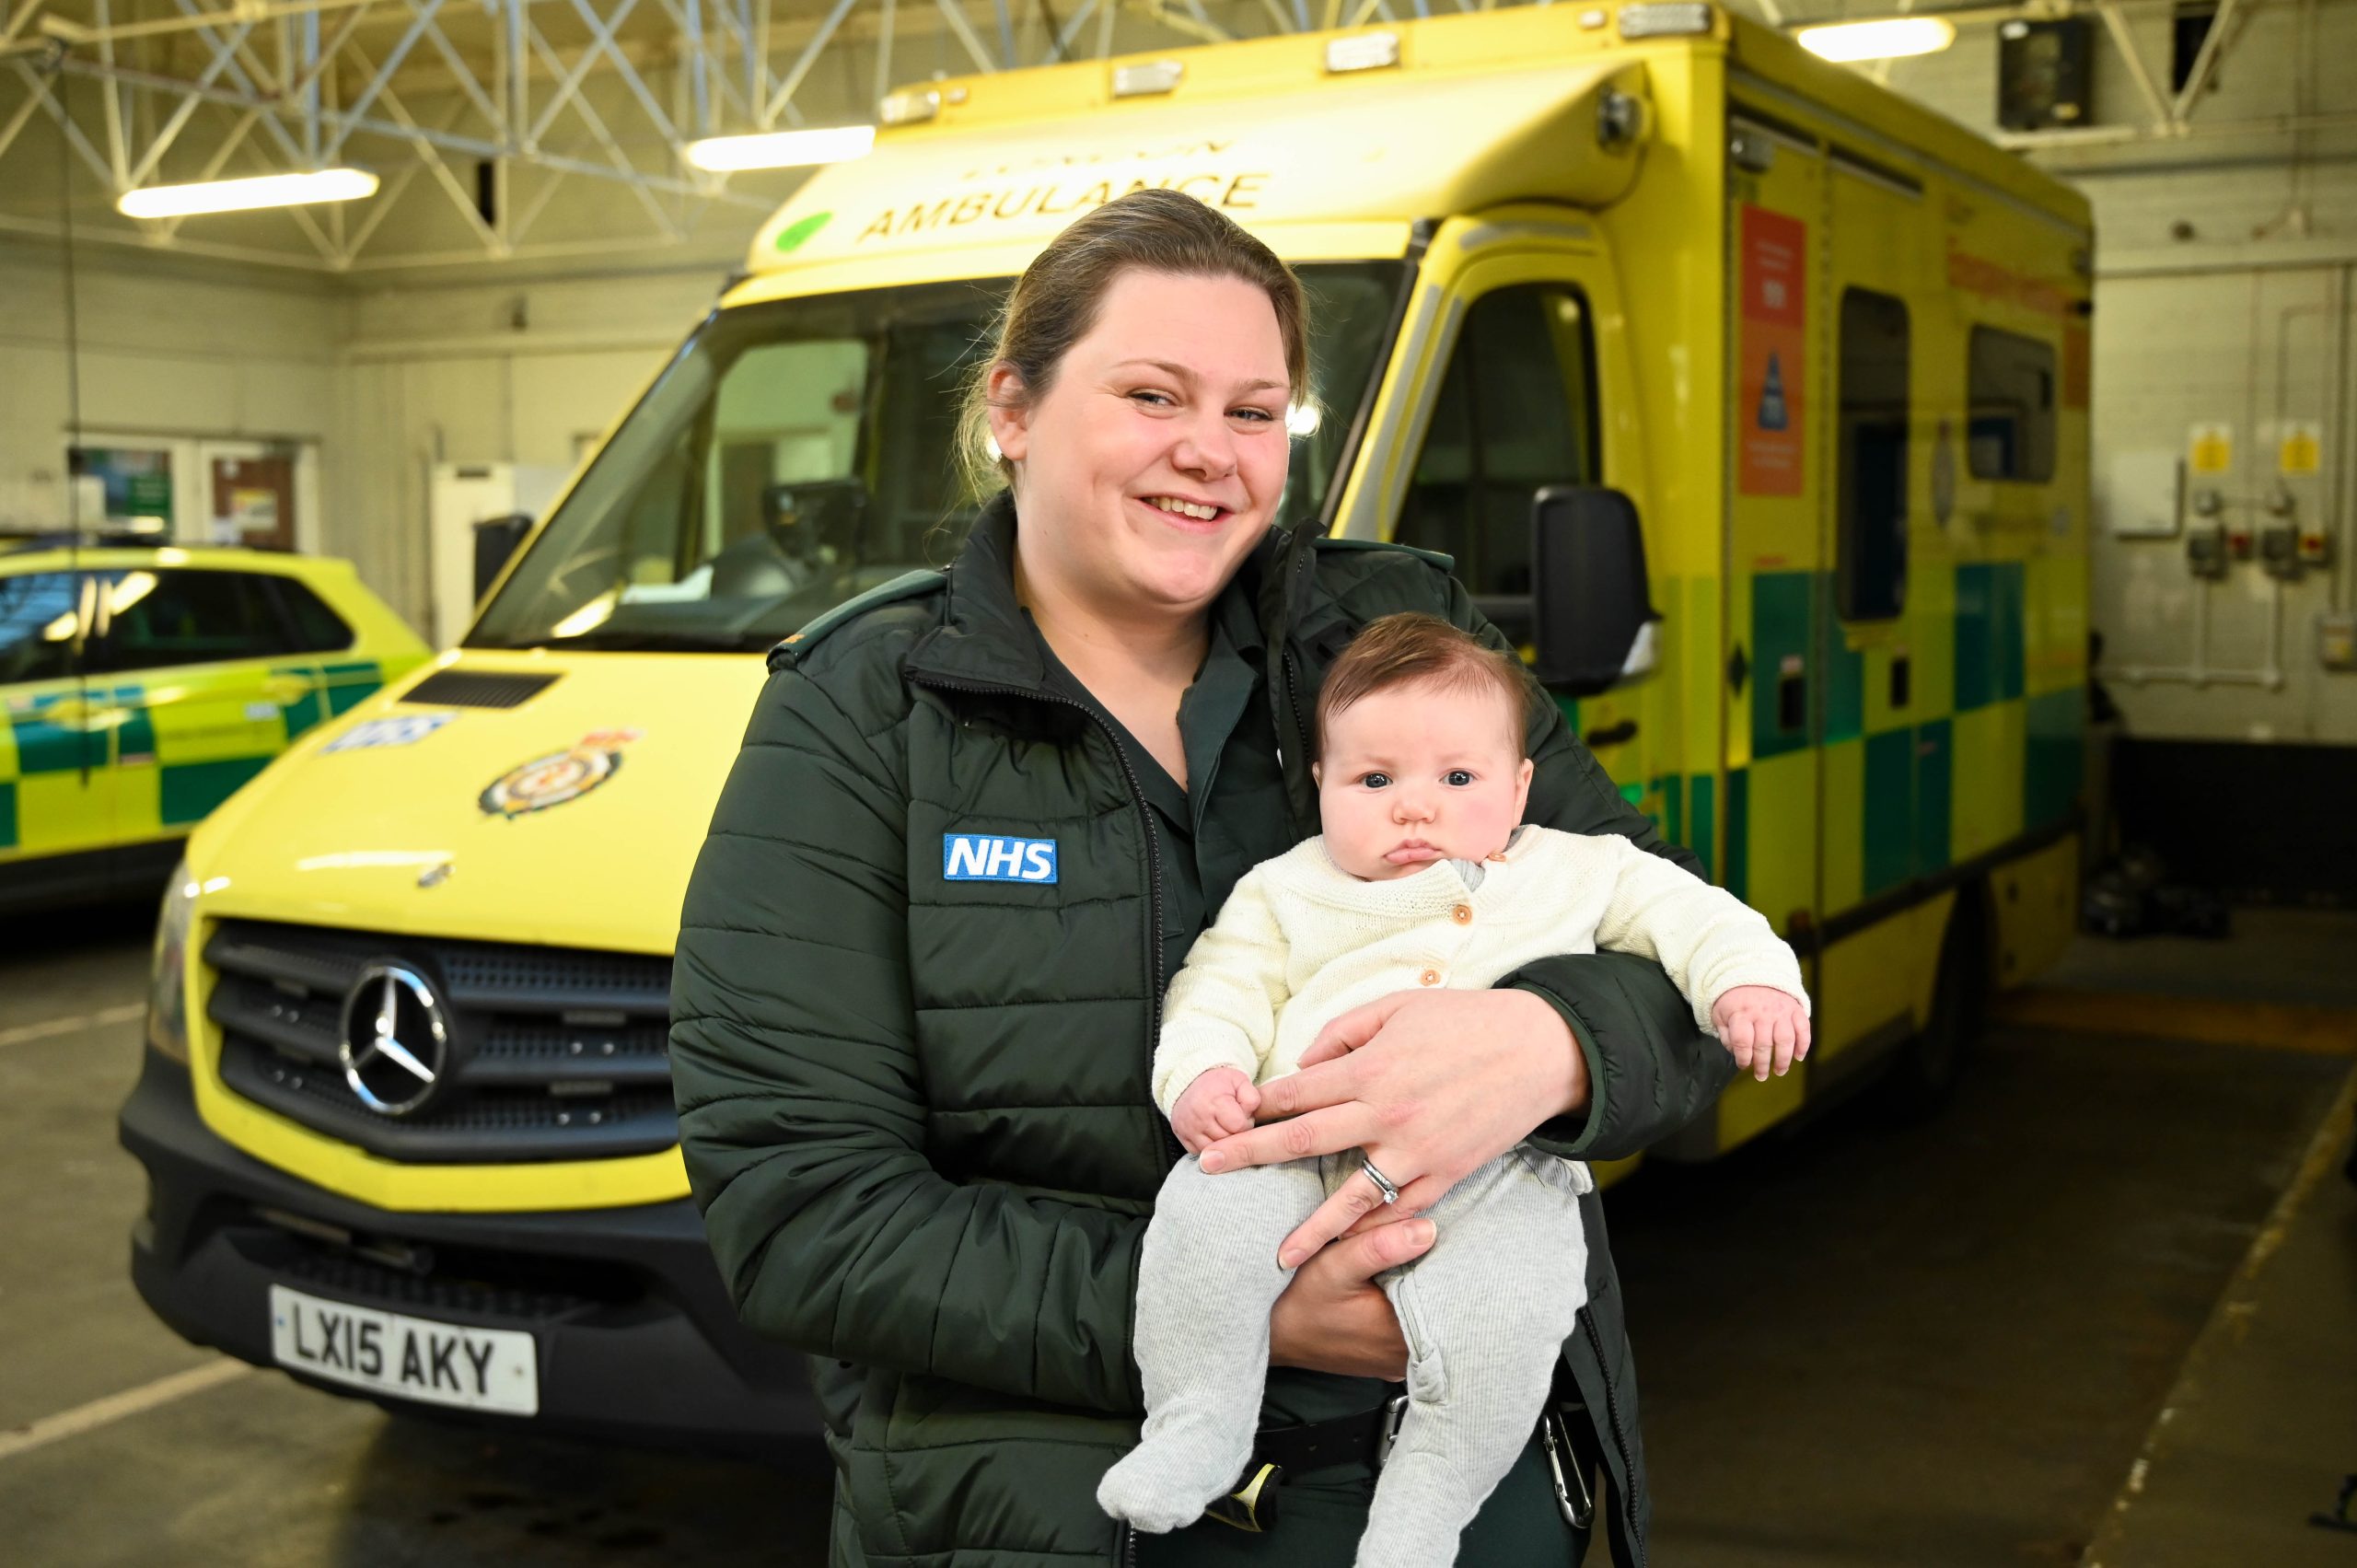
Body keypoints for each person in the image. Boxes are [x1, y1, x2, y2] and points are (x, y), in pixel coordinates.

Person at [668, 188, 1745, 1568]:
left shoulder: (1392, 641)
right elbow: (801, 1208)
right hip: (1056, 1514)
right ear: (1013, 409)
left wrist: (1558, 1043)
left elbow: (1677, 937)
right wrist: (1228, 1303)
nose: (1210, 454)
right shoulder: (864, 713)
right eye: (1152, 395)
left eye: (1255, 411)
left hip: (1464, 1495)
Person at [1097, 611, 1810, 1567]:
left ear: (1519, 787)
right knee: (1198, 1224)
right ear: (1320, 784)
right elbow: (1216, 987)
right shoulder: (1284, 888)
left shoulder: (1579, 868)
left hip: (1498, 1171)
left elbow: (1692, 915)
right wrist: (1204, 1074)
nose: (1413, 808)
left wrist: (1749, 983)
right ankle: (1198, 1422)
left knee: (1509, 1321)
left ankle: (1424, 1516)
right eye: (1374, 778)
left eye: (1458, 778)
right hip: (1295, 1140)